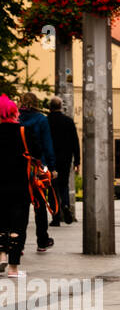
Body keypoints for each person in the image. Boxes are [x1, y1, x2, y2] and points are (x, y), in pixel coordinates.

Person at [17, 92, 56, 252]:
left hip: (19, 168)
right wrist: (52, 167)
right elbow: (47, 145)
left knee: (20, 206)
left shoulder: (15, 119)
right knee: (40, 204)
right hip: (36, 168)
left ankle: (18, 243)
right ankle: (42, 240)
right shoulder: (41, 119)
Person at [0, 96, 32, 277]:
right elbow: (35, 154)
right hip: (20, 186)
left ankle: (1, 255)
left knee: (1, 222)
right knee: (18, 225)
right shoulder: (23, 132)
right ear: (14, 112)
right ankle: (13, 268)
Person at [47, 96, 80, 225]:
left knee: (52, 187)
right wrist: (77, 161)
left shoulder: (46, 121)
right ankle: (65, 205)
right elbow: (75, 142)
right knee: (64, 185)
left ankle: (55, 217)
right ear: (61, 107)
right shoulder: (68, 121)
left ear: (50, 107)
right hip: (66, 159)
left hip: (51, 159)